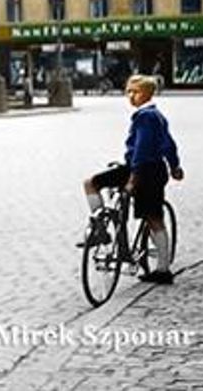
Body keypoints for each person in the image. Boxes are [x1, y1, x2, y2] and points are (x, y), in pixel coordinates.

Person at [79, 74, 184, 283]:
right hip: (141, 167)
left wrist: (133, 179)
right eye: (128, 91)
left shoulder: (146, 117)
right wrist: (174, 166)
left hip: (146, 171)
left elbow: (144, 151)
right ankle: (101, 229)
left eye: (135, 92)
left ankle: (163, 270)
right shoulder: (155, 115)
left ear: (147, 94)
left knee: (153, 218)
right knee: (91, 183)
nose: (130, 96)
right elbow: (169, 145)